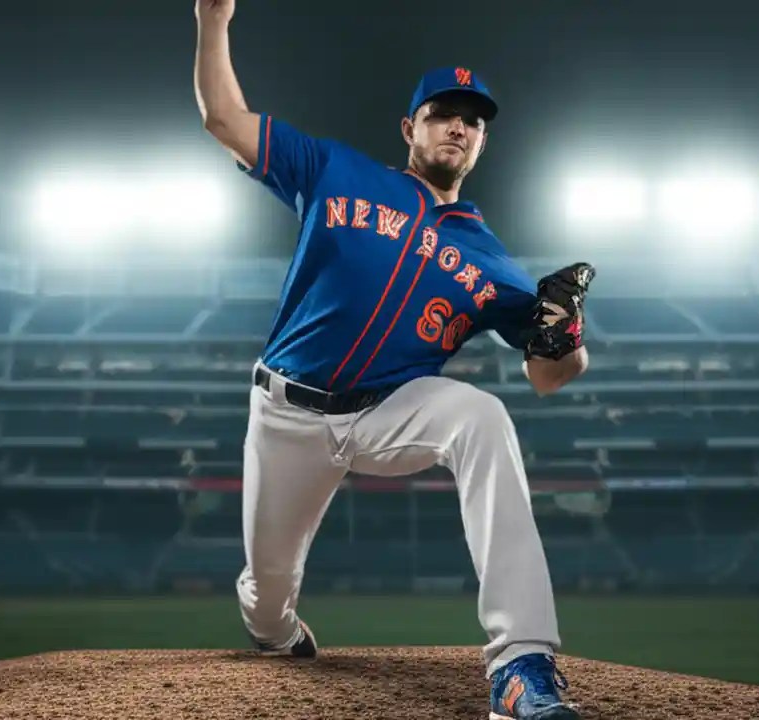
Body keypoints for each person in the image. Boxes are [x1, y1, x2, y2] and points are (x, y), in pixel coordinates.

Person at [193, 1, 594, 718]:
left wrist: (566, 336)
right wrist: (212, 20)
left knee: (482, 417)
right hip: (286, 412)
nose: (460, 127)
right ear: (411, 128)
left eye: (473, 121)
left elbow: (547, 375)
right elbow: (224, 120)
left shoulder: (493, 262)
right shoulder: (334, 171)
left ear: (480, 145)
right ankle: (276, 630)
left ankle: (520, 663)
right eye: (444, 113)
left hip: (388, 411)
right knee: (268, 597)